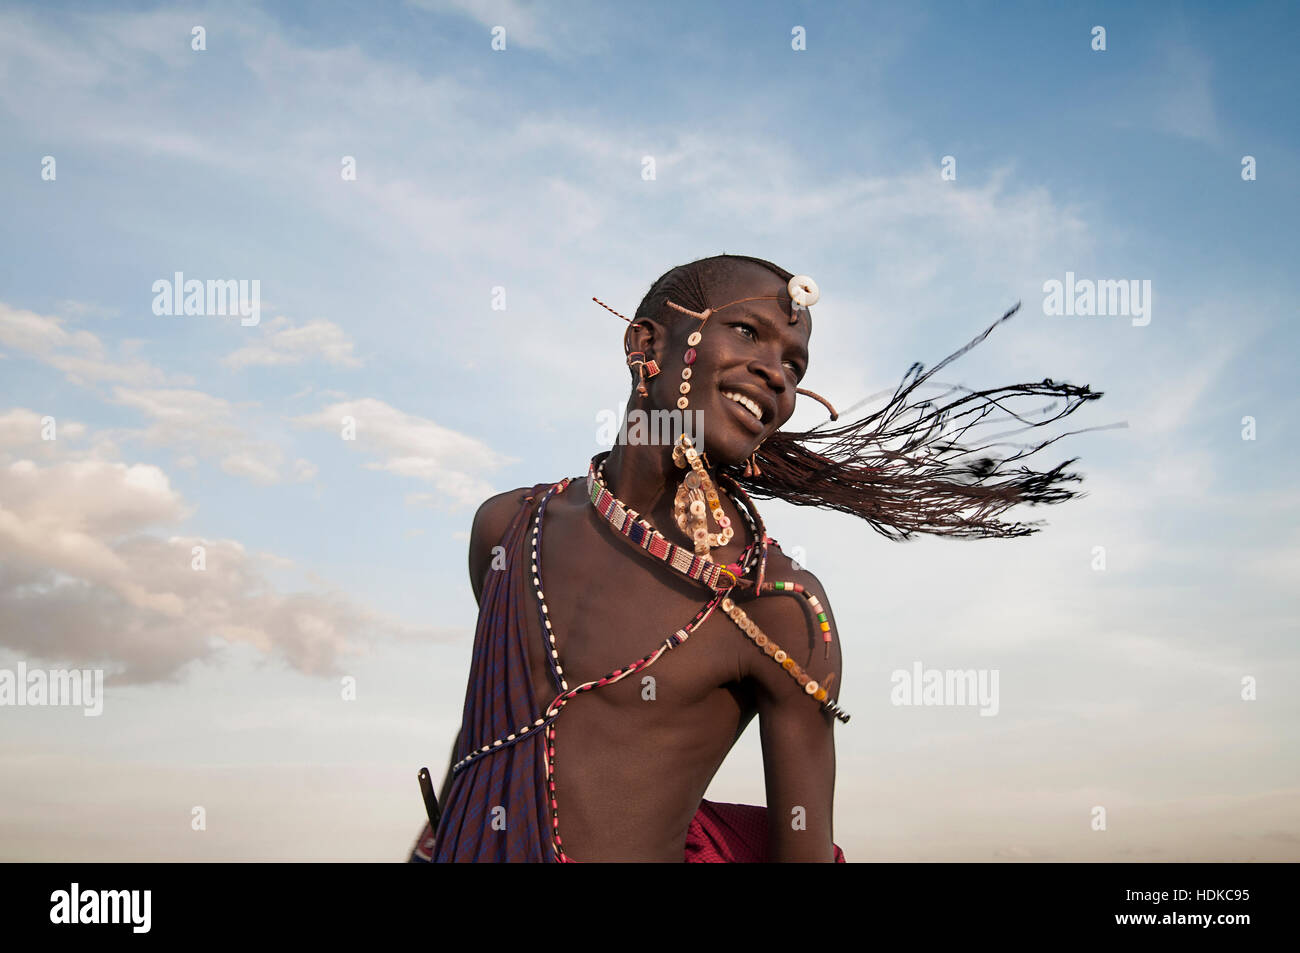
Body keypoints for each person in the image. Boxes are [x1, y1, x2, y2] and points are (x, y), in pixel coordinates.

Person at [409, 254, 1102, 862]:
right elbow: (481, 750)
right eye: (747, 332)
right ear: (643, 343)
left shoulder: (779, 608)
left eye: (795, 366)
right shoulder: (507, 531)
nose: (777, 372)